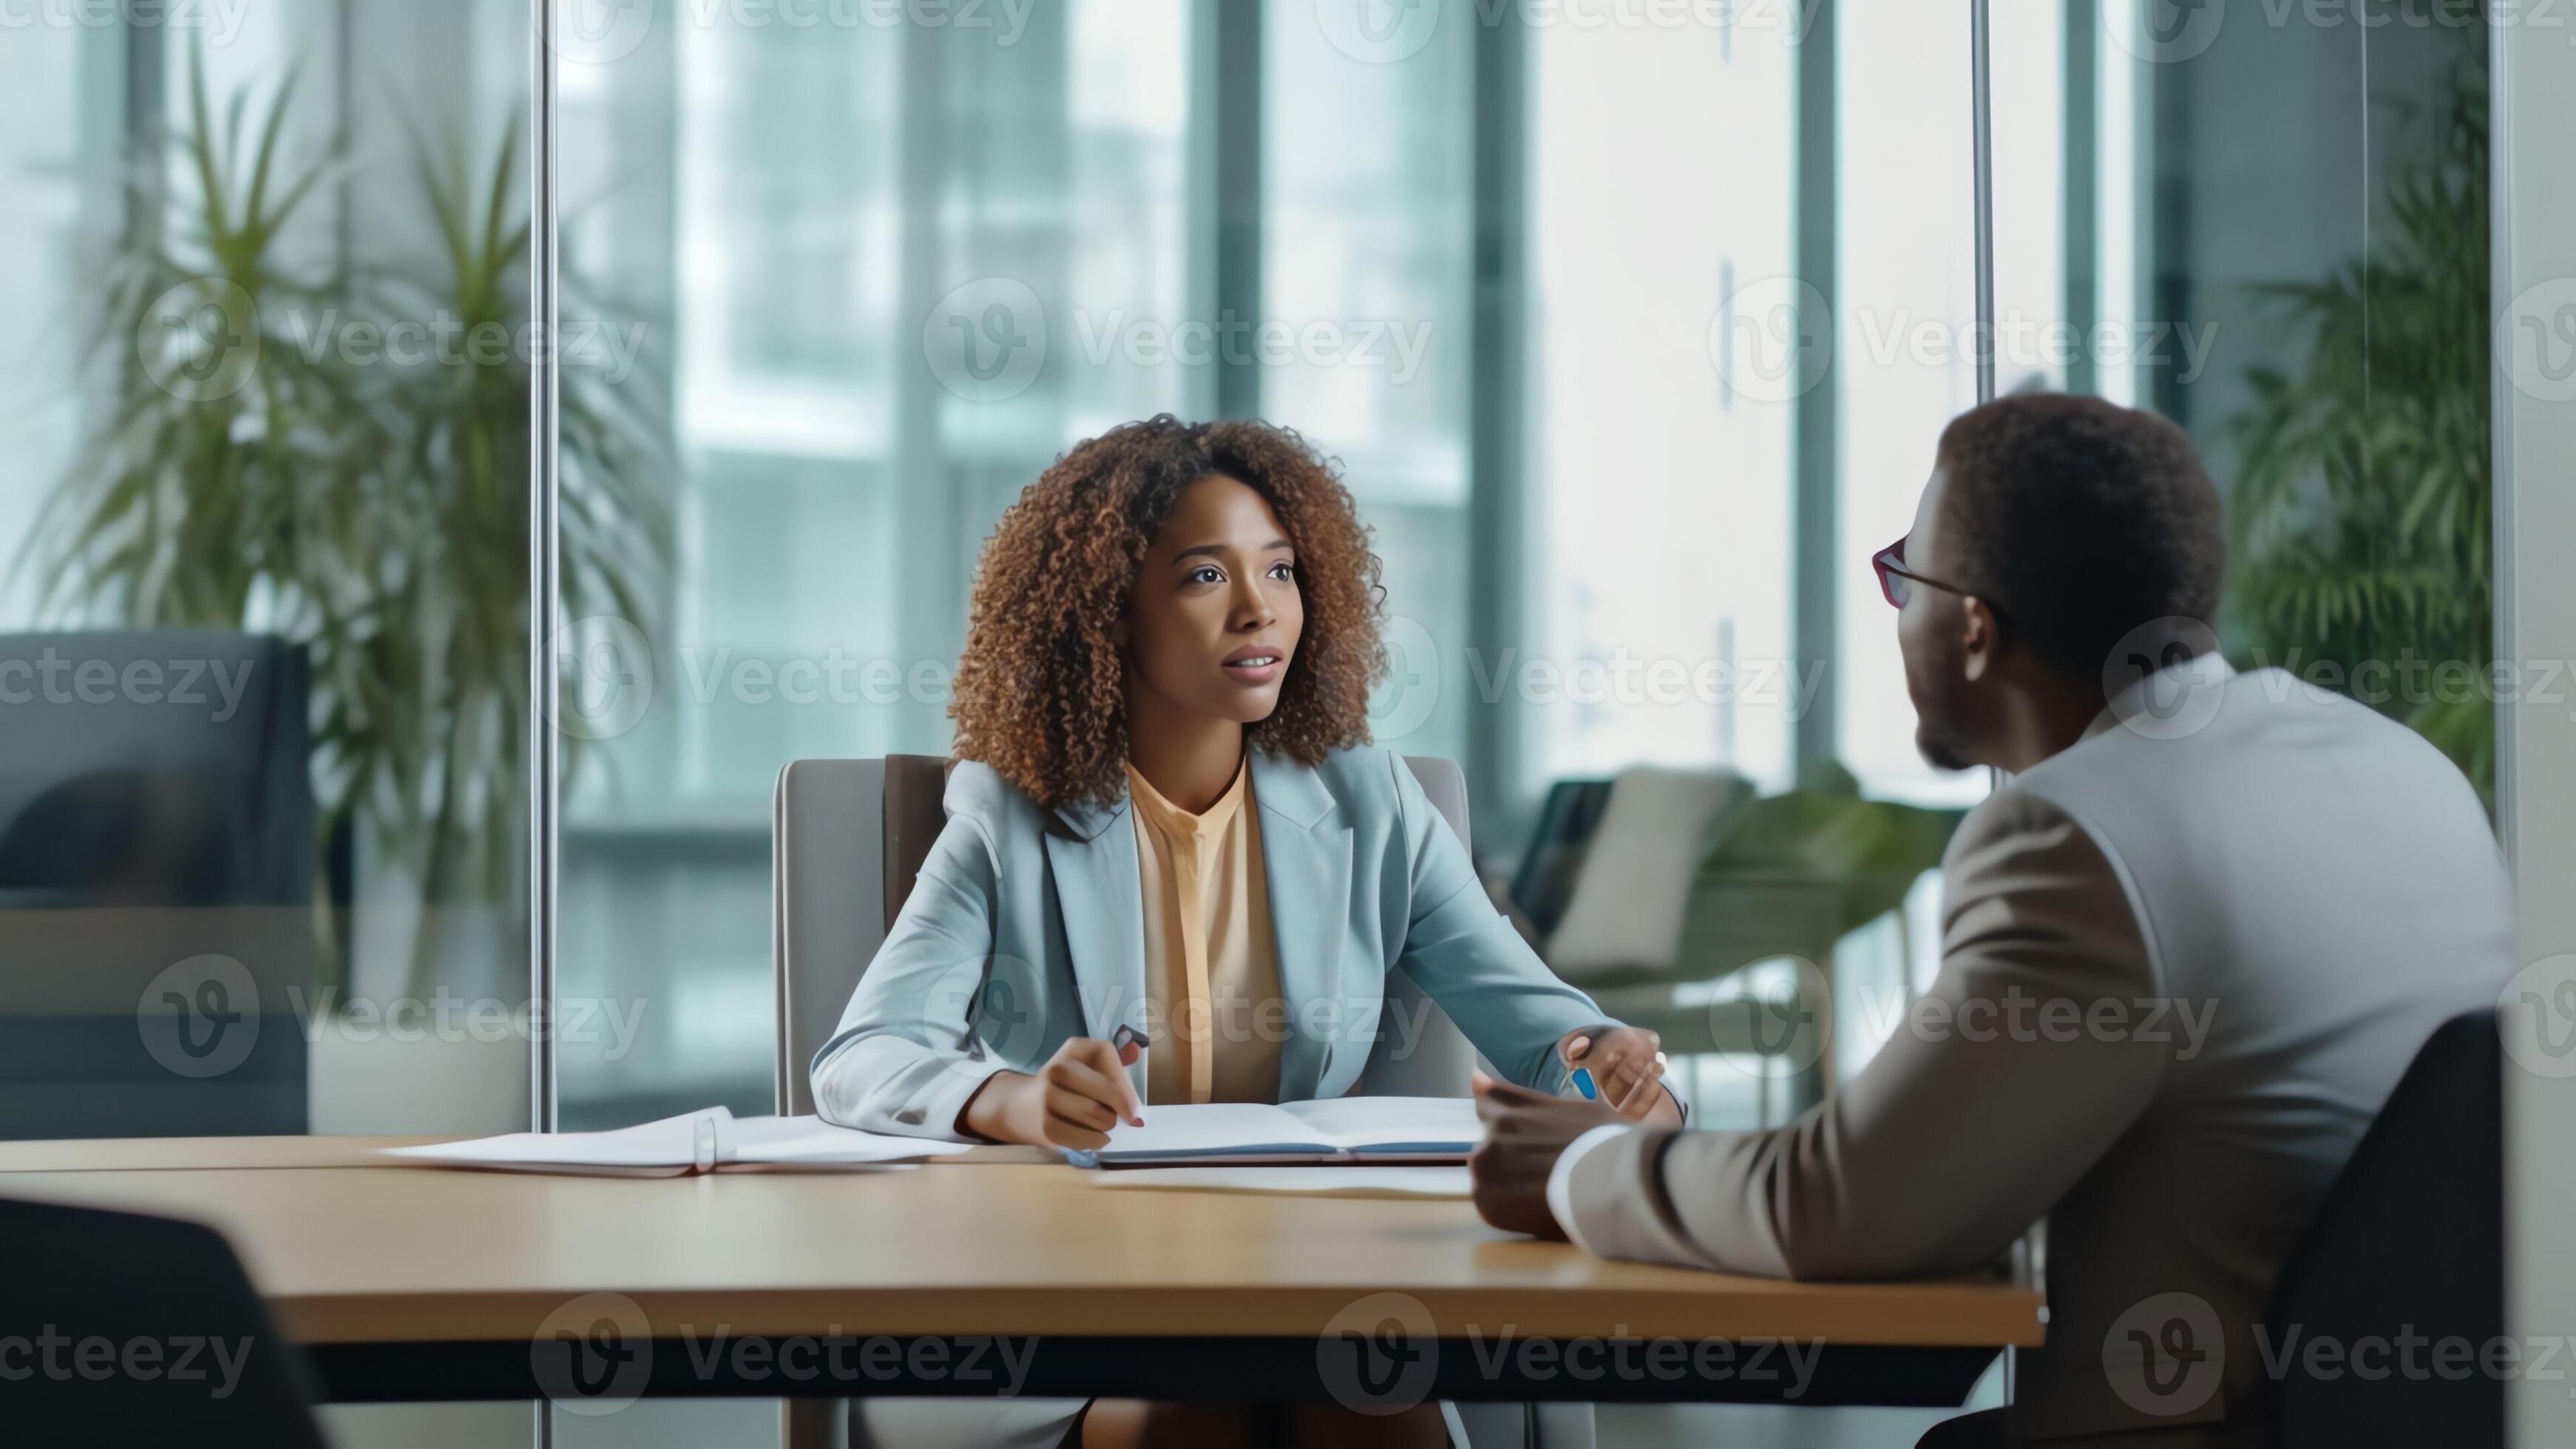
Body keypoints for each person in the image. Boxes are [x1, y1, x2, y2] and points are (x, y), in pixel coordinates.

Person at [1467, 393, 2515, 1447]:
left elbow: (1835, 1209)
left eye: (1903, 580)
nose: (1898, 614)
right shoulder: (2403, 768)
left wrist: (1580, 1166)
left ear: (1972, 630)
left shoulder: (2077, 836)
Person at [813, 415, 1680, 1448]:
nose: (1260, 609)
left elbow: (1554, 1039)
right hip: (1072, 1291)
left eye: (1280, 570)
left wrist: (1624, 1076)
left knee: (1366, 1402)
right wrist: (1021, 1100)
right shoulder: (1010, 814)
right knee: (1204, 1410)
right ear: (1112, 614)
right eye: (1205, 578)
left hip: (1314, 1279)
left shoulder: (1371, 806)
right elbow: (863, 1056)